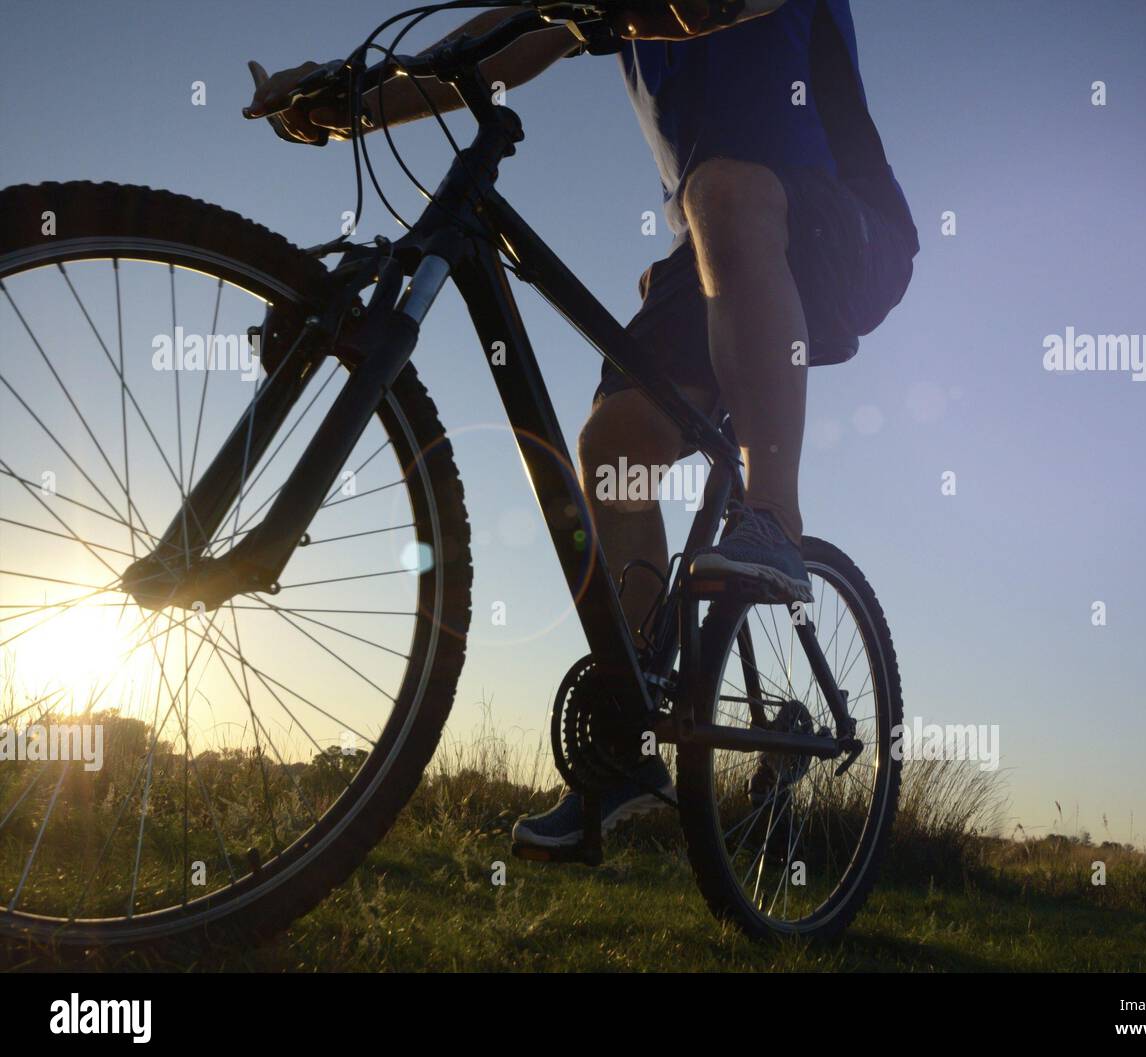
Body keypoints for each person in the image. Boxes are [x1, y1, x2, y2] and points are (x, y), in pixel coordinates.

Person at [248, 0, 918, 852]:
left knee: (723, 192)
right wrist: (352, 104)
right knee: (612, 451)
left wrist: (602, 15)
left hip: (842, 226)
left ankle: (775, 520)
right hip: (715, 242)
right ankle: (630, 738)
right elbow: (489, 47)